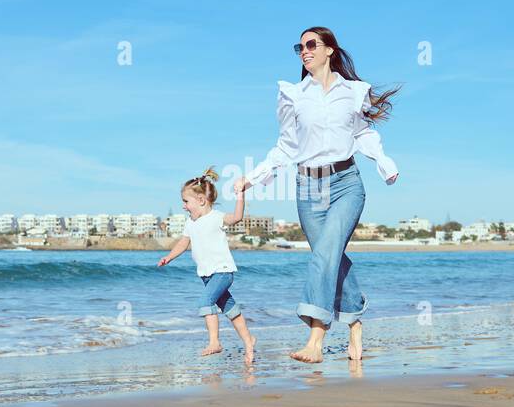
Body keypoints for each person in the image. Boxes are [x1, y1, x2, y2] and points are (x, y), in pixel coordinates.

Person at [233, 26, 399, 364]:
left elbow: (363, 132)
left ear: (330, 51)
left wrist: (383, 163)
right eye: (300, 47)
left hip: (346, 183)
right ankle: (354, 323)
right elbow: (286, 146)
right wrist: (252, 178)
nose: (304, 51)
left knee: (324, 255)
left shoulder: (353, 92)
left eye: (311, 45)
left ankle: (315, 340)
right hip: (308, 188)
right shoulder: (293, 95)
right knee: (331, 257)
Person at [158, 167, 257, 364]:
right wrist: (169, 257)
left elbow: (236, 217)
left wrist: (240, 196)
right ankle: (249, 341)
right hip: (207, 275)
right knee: (231, 310)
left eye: (186, 202)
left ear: (201, 200)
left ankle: (214, 342)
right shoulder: (190, 222)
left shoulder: (217, 217)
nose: (184, 206)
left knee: (205, 303)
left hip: (222, 272)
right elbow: (183, 243)